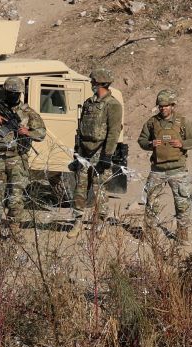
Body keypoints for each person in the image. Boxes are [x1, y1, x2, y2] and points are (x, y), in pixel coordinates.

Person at [0, 76, 45, 236]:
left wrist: (28, 132)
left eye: (15, 93)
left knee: (16, 197)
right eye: (9, 93)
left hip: (18, 158)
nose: (12, 96)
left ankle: (14, 230)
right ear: (5, 92)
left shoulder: (28, 112)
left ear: (20, 93)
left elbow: (41, 133)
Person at [137, 88, 192, 241]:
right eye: (160, 106)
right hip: (157, 170)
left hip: (178, 170)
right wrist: (150, 144)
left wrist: (182, 143)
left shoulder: (182, 122)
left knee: (182, 204)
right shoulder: (152, 122)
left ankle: (182, 235)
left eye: (166, 105)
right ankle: (149, 235)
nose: (163, 108)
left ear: (173, 105)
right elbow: (142, 140)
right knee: (151, 203)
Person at [73, 67, 123, 228]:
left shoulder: (113, 105)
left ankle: (100, 222)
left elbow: (114, 131)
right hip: (84, 151)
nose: (91, 84)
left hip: (100, 151)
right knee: (80, 188)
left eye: (93, 82)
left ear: (100, 83)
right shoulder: (89, 103)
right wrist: (77, 149)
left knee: (99, 189)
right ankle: (77, 221)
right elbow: (81, 127)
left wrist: (107, 155)